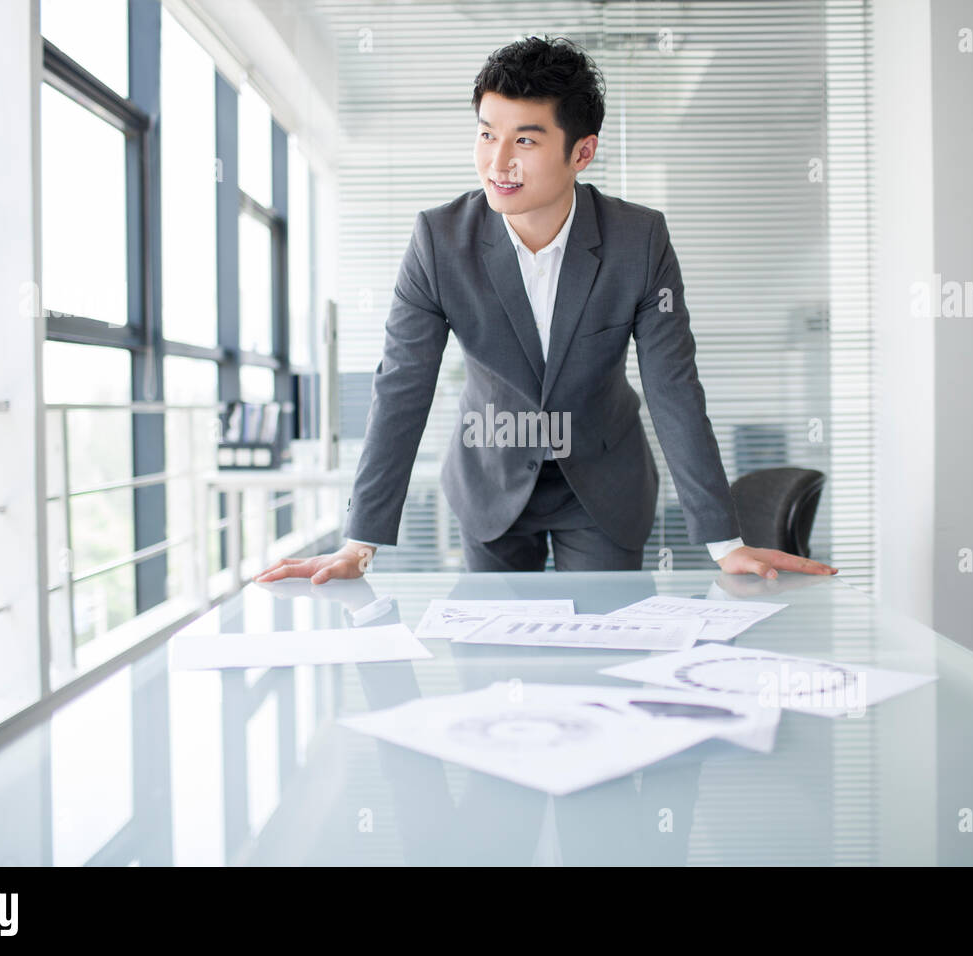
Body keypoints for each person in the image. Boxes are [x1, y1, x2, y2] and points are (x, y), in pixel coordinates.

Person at [258, 36, 836, 585]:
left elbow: (674, 388)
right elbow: (402, 387)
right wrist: (360, 542)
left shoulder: (639, 241)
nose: (498, 161)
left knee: (609, 658)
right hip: (490, 478)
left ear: (582, 151)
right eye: (487, 135)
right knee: (497, 660)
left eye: (525, 141)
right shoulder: (439, 242)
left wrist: (724, 541)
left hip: (604, 484)